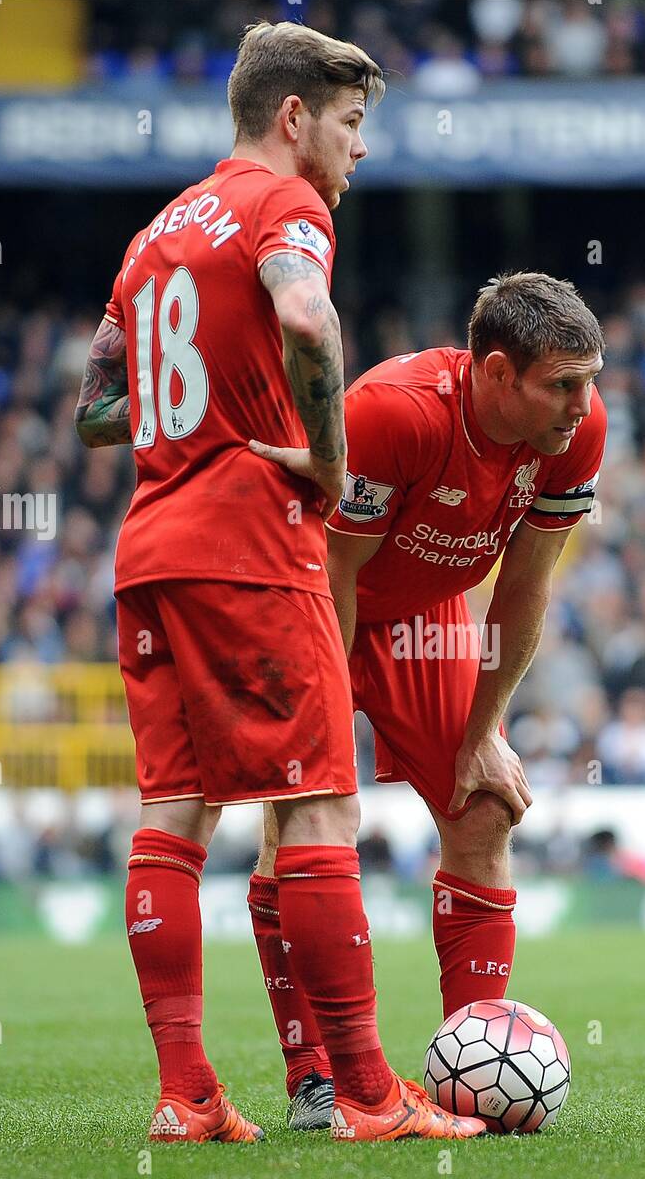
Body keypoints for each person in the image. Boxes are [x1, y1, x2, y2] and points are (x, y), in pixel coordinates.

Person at [75, 20, 483, 1145]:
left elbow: (97, 411)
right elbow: (308, 316)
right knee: (317, 805)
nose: (360, 152)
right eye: (352, 125)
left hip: (150, 549)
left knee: (173, 815)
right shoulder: (280, 207)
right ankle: (364, 1094)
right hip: (252, 545)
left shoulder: (157, 233)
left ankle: (188, 1093)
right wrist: (333, 460)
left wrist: (188, 414)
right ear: (293, 116)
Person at [249, 272, 606, 1128]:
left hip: (425, 617)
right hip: (310, 598)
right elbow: (334, 568)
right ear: (493, 373)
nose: (581, 402)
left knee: (483, 806)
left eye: (588, 378)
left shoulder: (577, 431)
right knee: (302, 823)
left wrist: (484, 732)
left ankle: (467, 1063)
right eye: (561, 382)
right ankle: (315, 1079)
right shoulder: (393, 412)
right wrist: (325, 722)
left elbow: (524, 586)